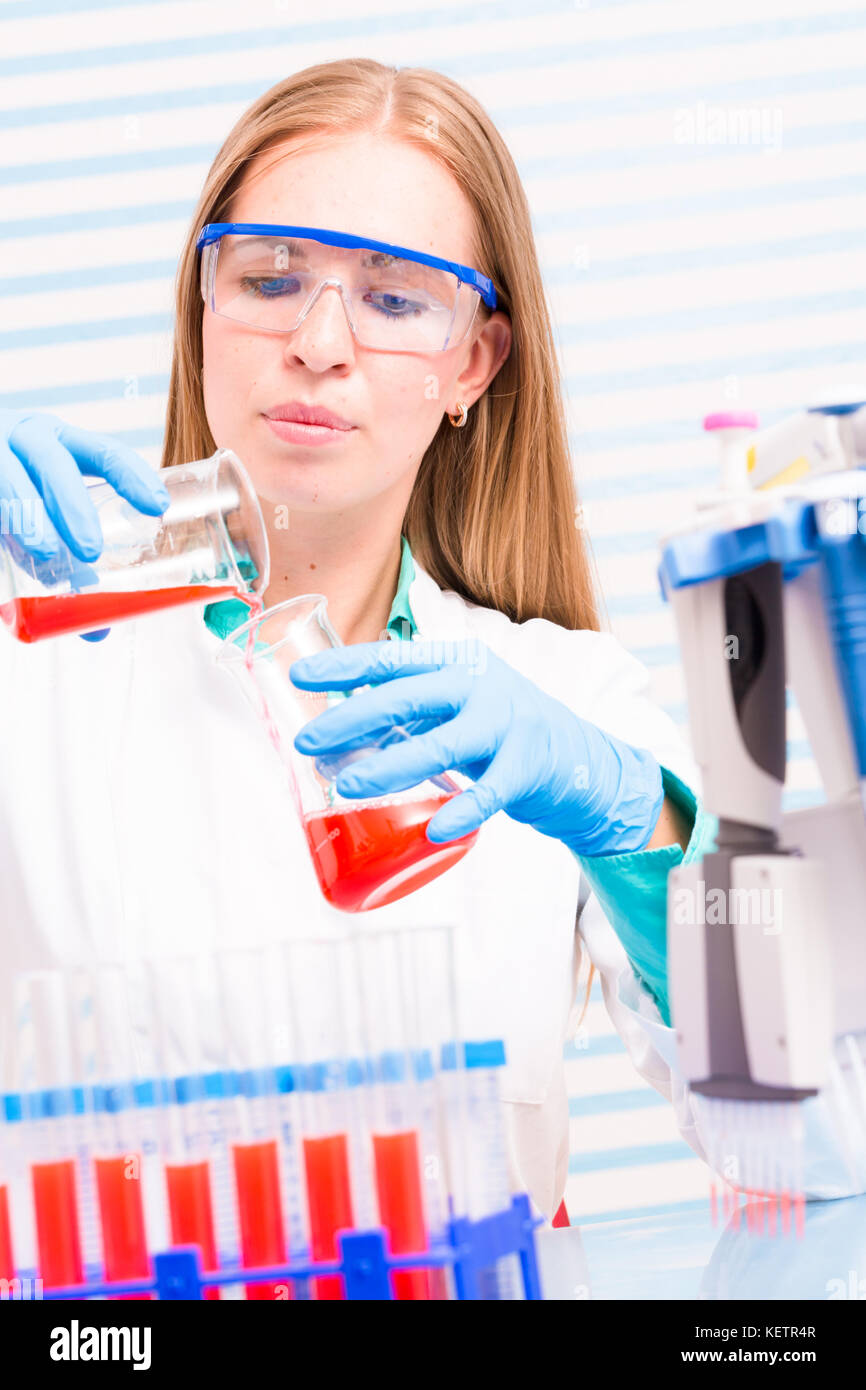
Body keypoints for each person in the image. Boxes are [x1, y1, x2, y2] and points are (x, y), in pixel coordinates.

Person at [0, 59, 853, 1223]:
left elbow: (811, 1150)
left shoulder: (565, 707)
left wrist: (642, 833)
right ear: (202, 309)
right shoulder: (33, 661)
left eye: (396, 299)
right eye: (269, 277)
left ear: (472, 364)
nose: (318, 339)